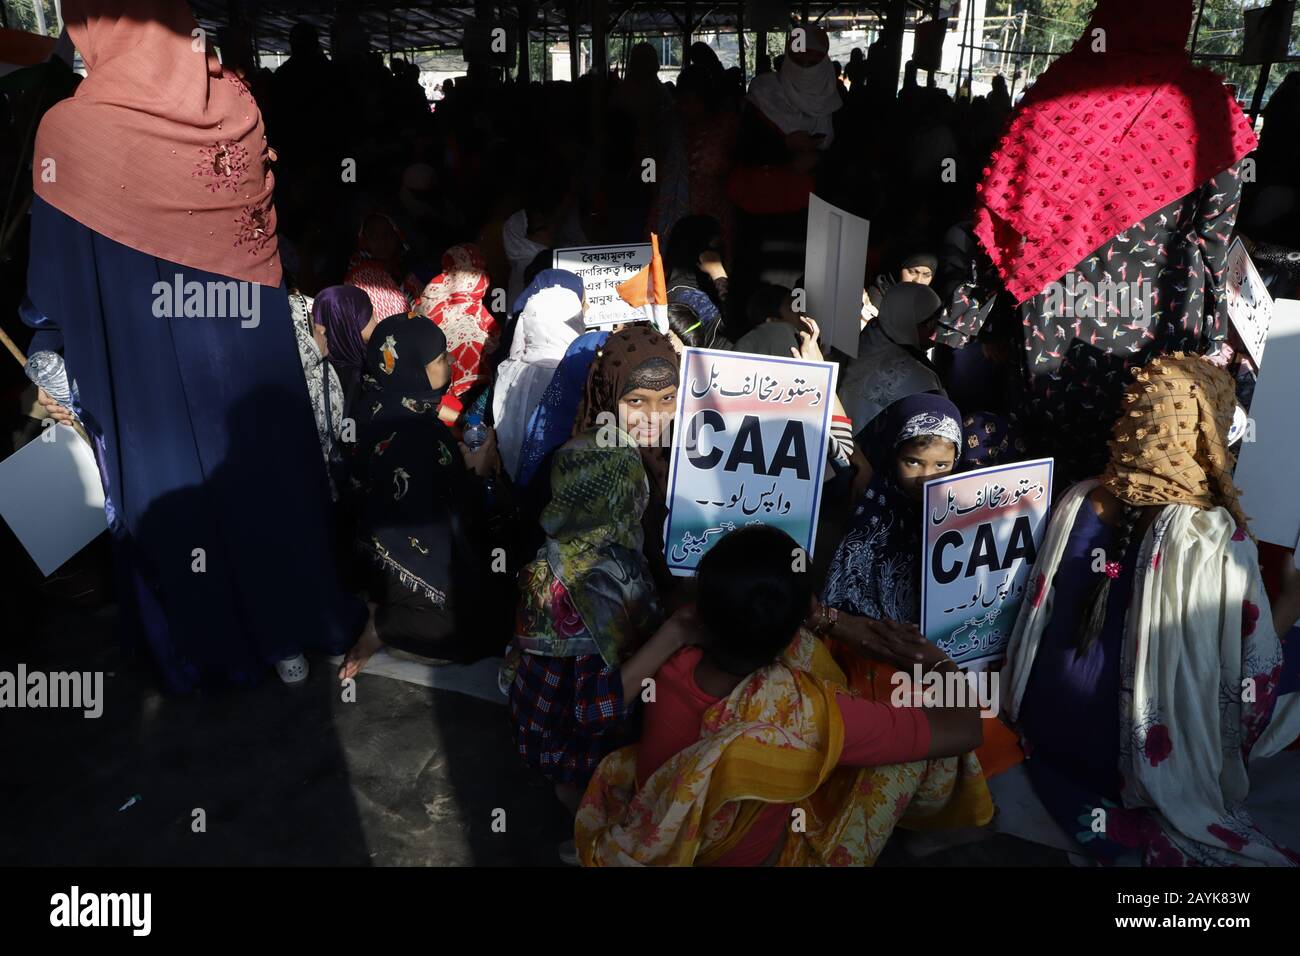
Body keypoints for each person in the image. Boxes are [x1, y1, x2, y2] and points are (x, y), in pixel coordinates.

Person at [27, 0, 364, 691]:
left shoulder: (71, 131)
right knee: (268, 477)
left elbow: (53, 280)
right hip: (249, 345)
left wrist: (49, 350)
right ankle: (299, 629)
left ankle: (222, 643)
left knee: (181, 489)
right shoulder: (236, 102)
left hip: (147, 360)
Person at [1003, 354, 1300, 865]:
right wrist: (1292, 601)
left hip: (1047, 724)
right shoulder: (1213, 538)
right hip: (1125, 763)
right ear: (1209, 433)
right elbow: (1247, 677)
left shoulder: (1077, 499)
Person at [574, 525, 992, 866]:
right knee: (904, 760)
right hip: (777, 856)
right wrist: (938, 664)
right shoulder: (806, 713)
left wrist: (676, 629)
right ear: (796, 625)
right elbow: (965, 728)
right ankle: (940, 827)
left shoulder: (670, 663)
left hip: (667, 841)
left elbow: (594, 710)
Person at [973, 0, 1259, 486]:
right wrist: (1216, 338)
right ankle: (1116, 556)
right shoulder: (1204, 102)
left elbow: (1006, 215)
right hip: (1157, 317)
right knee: (1141, 454)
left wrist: (984, 323)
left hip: (1051, 313)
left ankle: (1046, 548)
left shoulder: (1058, 89)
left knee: (1044, 462)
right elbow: (1214, 236)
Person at [338, 313, 511, 679]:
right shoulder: (418, 434)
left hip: (370, 558)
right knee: (487, 625)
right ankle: (384, 626)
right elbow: (443, 520)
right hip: (410, 566)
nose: (449, 364)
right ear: (414, 369)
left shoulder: (375, 400)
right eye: (440, 359)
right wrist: (477, 475)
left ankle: (380, 609)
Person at [492, 283, 586, 478]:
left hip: (512, 482)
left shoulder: (508, 368)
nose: (582, 324)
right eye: (576, 319)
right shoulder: (574, 371)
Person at [838, 283, 945, 437]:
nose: (935, 334)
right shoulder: (919, 377)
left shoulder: (869, 339)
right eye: (929, 324)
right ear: (905, 321)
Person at [417, 243, 500, 426]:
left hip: (432, 404)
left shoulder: (429, 298)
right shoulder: (471, 318)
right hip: (461, 411)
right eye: (481, 270)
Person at [345, 212, 422, 322]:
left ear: (397, 236)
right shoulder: (361, 276)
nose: (381, 241)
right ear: (364, 240)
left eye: (387, 234)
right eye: (373, 236)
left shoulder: (403, 269)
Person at [312, 284, 376, 407]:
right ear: (349, 319)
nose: (377, 317)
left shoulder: (320, 370)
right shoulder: (348, 381)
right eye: (370, 312)